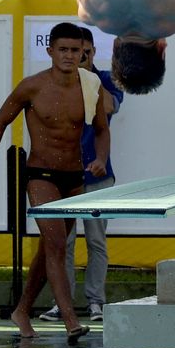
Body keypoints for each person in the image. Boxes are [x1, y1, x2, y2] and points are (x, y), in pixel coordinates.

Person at [0, 22, 108, 343]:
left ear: (84, 53)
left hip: (74, 177)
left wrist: (101, 158)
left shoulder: (90, 86)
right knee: (56, 246)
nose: (70, 56)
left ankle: (22, 310)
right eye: (63, 50)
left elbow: (102, 129)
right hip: (40, 175)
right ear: (50, 51)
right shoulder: (32, 87)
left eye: (76, 50)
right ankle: (71, 321)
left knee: (51, 248)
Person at [40, 28, 121, 323]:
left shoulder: (107, 80)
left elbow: (110, 106)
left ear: (93, 52)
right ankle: (62, 303)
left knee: (96, 241)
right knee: (65, 242)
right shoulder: (57, 82)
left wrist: (88, 76)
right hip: (65, 174)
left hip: (98, 176)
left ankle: (96, 301)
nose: (79, 57)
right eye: (74, 52)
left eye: (84, 52)